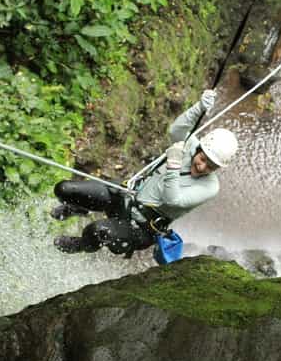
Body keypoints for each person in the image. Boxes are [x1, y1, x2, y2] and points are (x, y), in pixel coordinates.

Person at [51, 89, 238, 256]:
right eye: (203, 159)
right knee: (65, 189)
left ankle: (81, 244)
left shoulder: (210, 187)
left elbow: (173, 200)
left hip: (142, 227)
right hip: (126, 196)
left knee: (97, 231)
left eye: (211, 166)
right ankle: (79, 208)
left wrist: (173, 165)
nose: (202, 167)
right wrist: (199, 108)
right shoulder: (189, 145)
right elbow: (176, 130)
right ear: (199, 149)